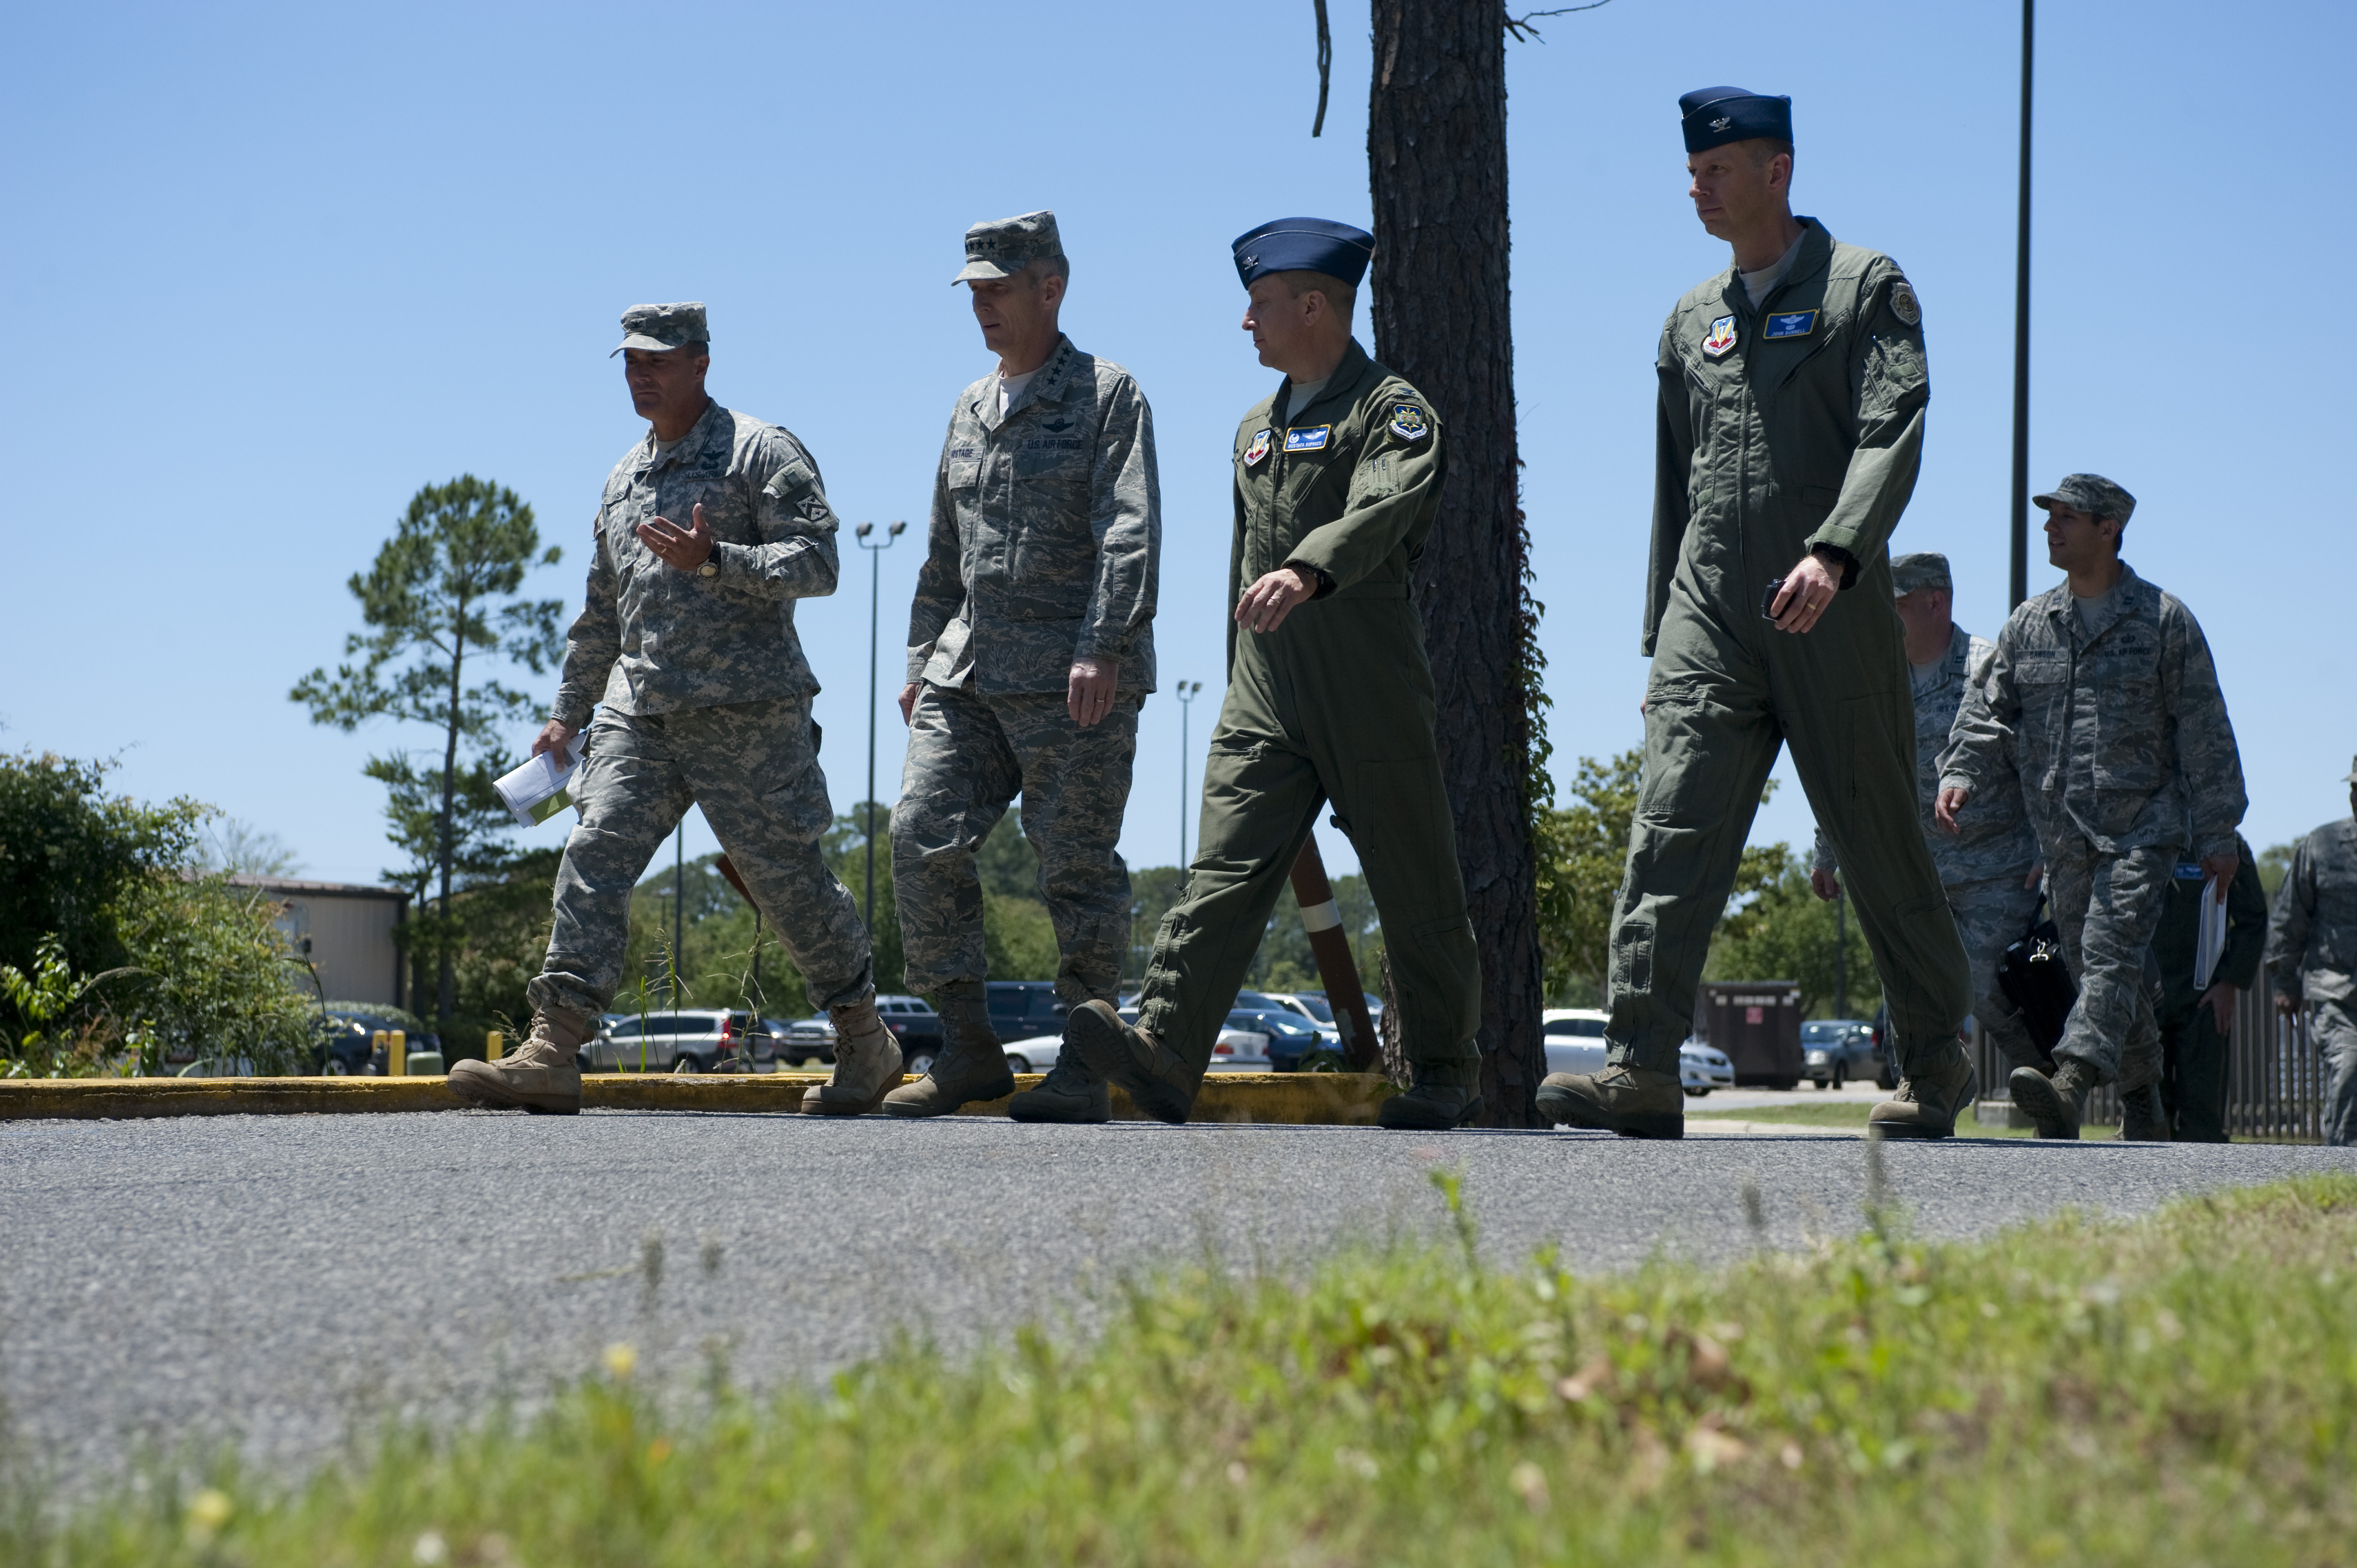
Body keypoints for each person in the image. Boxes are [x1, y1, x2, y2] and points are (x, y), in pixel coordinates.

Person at [1539, 87, 1973, 1141]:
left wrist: (1838, 551)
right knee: (1667, 824)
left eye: (1718, 168)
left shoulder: (1863, 287)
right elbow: (1672, 487)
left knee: (1876, 840)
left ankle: (1933, 1059)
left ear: (1776, 171)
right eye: (1692, 171)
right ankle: (1641, 1067)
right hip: (1711, 611)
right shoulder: (1691, 319)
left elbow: (1892, 429)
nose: (1697, 186)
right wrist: (1662, 638)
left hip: (1832, 608)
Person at [1059, 216, 1484, 1131]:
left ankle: (1446, 1070)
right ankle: (1167, 1051)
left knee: (1414, 888)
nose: (1245, 324)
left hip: (1365, 686)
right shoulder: (1256, 427)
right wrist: (1235, 675)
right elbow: (1240, 568)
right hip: (1267, 693)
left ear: (1314, 305)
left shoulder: (1391, 412)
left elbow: (1383, 508)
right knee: (1222, 871)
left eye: (1258, 305)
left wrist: (1308, 569)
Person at [448, 303, 895, 1117]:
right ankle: (553, 1045)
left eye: (656, 359)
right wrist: (568, 711)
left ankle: (866, 1040)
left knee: (787, 883)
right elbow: (601, 609)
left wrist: (718, 558)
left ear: (701, 362)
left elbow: (820, 562)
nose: (639, 373)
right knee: (594, 851)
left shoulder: (760, 451)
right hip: (640, 711)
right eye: (629, 361)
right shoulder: (623, 477)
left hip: (747, 714)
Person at [885, 211, 1161, 1123]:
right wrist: (923, 659)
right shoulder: (968, 407)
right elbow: (939, 551)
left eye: (999, 288)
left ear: (1053, 287)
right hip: (967, 677)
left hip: (1074, 678)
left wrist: (1101, 645)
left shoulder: (1106, 393)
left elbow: (1129, 532)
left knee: (1074, 871)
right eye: (974, 291)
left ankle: (1084, 1066)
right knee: (919, 836)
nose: (984, 306)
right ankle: (969, 1048)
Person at [1938, 473, 2247, 1141]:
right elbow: (1985, 710)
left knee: (2109, 950)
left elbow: (2204, 731)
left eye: (2065, 517)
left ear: (2108, 528)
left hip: (2144, 825)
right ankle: (2141, 1093)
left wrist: (2219, 830)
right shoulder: (2028, 624)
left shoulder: (2162, 620)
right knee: (2096, 964)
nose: (2049, 527)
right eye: (2048, 517)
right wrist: (1960, 770)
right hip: (2061, 832)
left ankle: (2070, 1080)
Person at [1809, 553, 2043, 1079]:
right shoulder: (1875, 675)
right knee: (1907, 989)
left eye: (1896, 606)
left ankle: (2051, 1083)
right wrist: (1827, 850)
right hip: (1913, 872)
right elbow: (1853, 764)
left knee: (1986, 989)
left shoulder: (1990, 670)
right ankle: (1919, 1100)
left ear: (1935, 601)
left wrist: (2047, 848)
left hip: (1995, 870)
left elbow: (2041, 762)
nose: (1882, 618)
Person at [2150, 832, 2266, 1143]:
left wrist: (2229, 982)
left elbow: (2253, 918)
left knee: (2202, 1123)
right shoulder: (2140, 828)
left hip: (2203, 1002)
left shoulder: (2225, 842)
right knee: (2147, 1122)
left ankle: (2205, 1191)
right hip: (2146, 1001)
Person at [2264, 759, 2357, 1147]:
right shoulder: (2321, 845)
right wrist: (2286, 981)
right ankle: (2343, 1166)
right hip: (2337, 992)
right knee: (2352, 1065)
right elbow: (2289, 919)